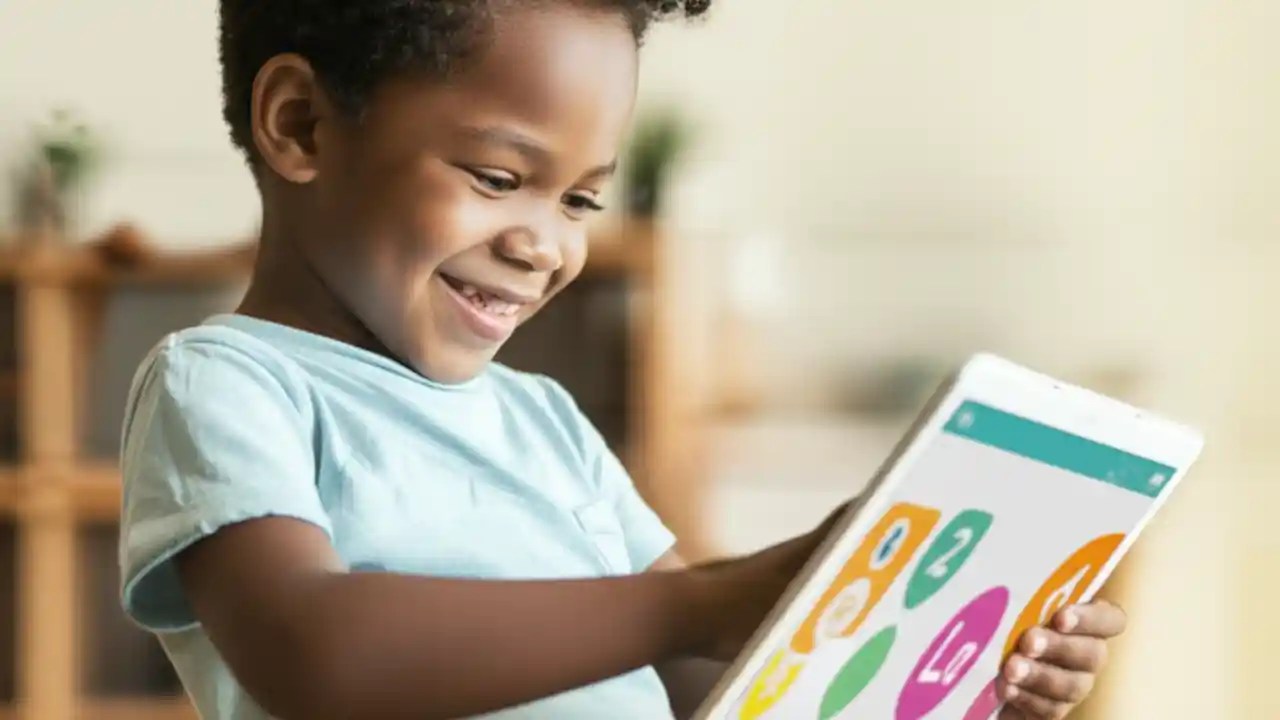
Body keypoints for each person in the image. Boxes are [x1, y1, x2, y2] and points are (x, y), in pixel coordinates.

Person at [117, 2, 1127, 718]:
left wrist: (959, 676)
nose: (544, 243)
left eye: (578, 201)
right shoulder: (230, 382)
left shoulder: (545, 425)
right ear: (299, 124)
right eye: (499, 176)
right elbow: (315, 657)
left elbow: (707, 692)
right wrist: (710, 598)